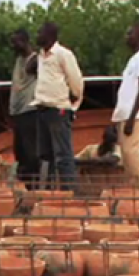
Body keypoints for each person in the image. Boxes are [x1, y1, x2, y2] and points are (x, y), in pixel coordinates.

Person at [29, 21, 84, 190]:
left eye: (40, 32)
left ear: (50, 35)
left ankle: (70, 194)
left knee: (63, 155)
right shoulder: (39, 57)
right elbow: (28, 69)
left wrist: (72, 99)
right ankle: (49, 194)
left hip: (58, 109)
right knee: (45, 155)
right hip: (42, 108)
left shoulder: (63, 54)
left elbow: (76, 80)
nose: (37, 35)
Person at [112, 23, 139, 188]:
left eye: (130, 33)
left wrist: (131, 118)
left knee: (132, 152)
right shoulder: (134, 58)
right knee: (126, 156)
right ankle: (134, 191)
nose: (126, 37)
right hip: (125, 114)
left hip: (134, 115)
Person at [7, 30, 41, 186]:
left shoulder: (35, 60)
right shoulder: (19, 60)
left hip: (30, 111)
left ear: (25, 41)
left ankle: (34, 185)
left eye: (16, 42)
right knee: (20, 151)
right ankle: (27, 185)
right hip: (18, 112)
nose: (13, 46)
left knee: (30, 152)